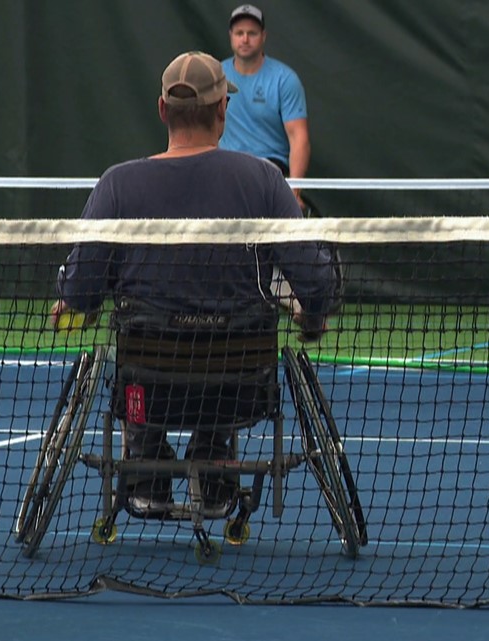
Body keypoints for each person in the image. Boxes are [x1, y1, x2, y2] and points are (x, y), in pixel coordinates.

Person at [51, 51, 338, 516]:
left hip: (145, 385)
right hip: (241, 386)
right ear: (224, 108)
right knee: (219, 373)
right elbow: (318, 285)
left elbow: (81, 291)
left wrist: (72, 296)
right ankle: (214, 461)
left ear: (162, 109)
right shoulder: (266, 180)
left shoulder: (117, 185)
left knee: (140, 366)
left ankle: (144, 466)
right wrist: (312, 315)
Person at [220, 4, 310, 205]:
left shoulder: (285, 79)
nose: (245, 39)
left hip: (270, 173)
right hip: (223, 171)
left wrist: (294, 191)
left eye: (251, 33)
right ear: (231, 36)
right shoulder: (215, 75)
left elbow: (298, 137)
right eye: (239, 33)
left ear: (263, 36)